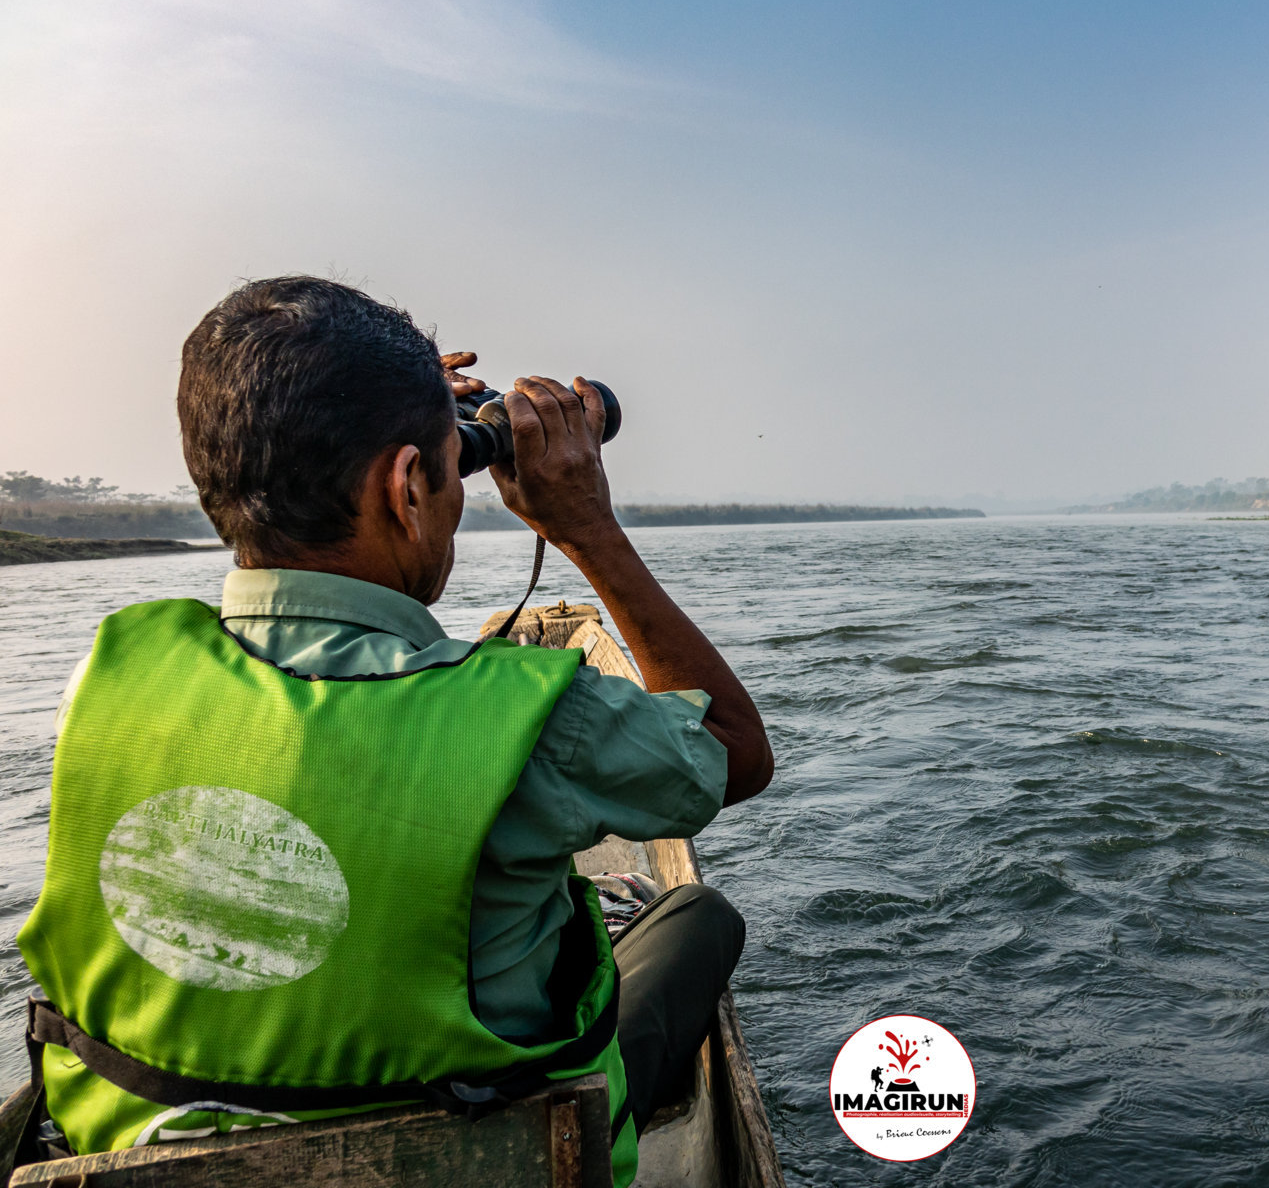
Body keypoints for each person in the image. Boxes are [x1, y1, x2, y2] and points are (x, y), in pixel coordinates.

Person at [17, 276, 773, 1188]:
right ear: (408, 485)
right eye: (450, 472)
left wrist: (389, 420)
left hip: (138, 1147)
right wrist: (585, 528)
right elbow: (733, 755)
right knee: (695, 918)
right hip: (482, 1165)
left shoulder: (109, 677)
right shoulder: (534, 720)